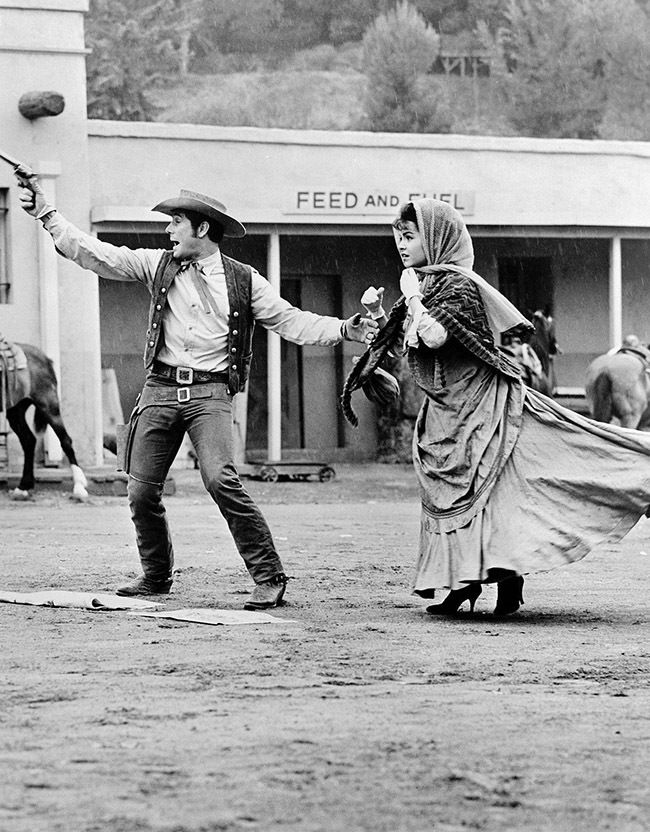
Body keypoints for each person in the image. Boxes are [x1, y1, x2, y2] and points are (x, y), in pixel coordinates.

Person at [16, 170, 378, 610]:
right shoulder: (157, 264)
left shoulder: (244, 280)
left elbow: (290, 320)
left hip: (211, 393)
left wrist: (343, 329)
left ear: (202, 228)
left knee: (220, 478)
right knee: (141, 490)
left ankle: (269, 576)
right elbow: (98, 255)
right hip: (160, 388)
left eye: (176, 223)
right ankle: (156, 576)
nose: (168, 231)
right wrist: (48, 214)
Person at [345, 198, 650, 616]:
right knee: (448, 496)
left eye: (410, 237)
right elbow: (405, 344)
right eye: (398, 236)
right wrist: (378, 313)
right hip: (445, 409)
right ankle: (462, 583)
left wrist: (412, 298)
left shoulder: (458, 286)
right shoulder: (425, 284)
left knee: (499, 493)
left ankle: (507, 580)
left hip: (483, 405)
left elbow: (435, 336)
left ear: (435, 238)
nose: (401, 244)